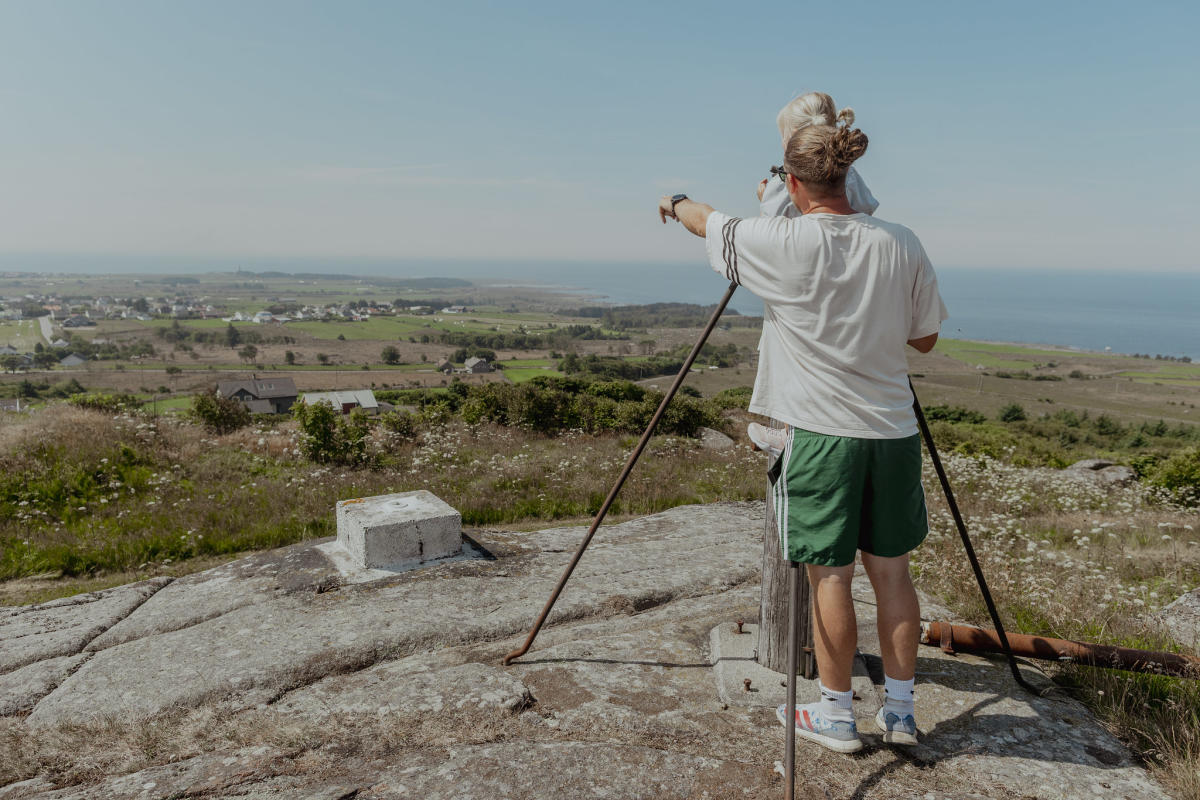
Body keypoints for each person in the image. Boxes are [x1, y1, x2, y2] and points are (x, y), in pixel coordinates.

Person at [657, 114, 947, 754]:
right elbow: (925, 338)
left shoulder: (777, 241)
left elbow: (707, 220)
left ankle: (836, 715)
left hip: (821, 435)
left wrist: (674, 202)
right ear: (847, 175)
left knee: (831, 578)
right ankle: (900, 713)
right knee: (893, 575)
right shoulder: (901, 241)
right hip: (893, 431)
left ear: (790, 182)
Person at [747, 92, 878, 458]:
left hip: (801, 278)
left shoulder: (787, 175)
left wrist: (764, 196)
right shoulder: (848, 173)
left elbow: (771, 230)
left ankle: (788, 434)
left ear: (792, 137)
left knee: (792, 353)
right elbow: (866, 209)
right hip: (849, 277)